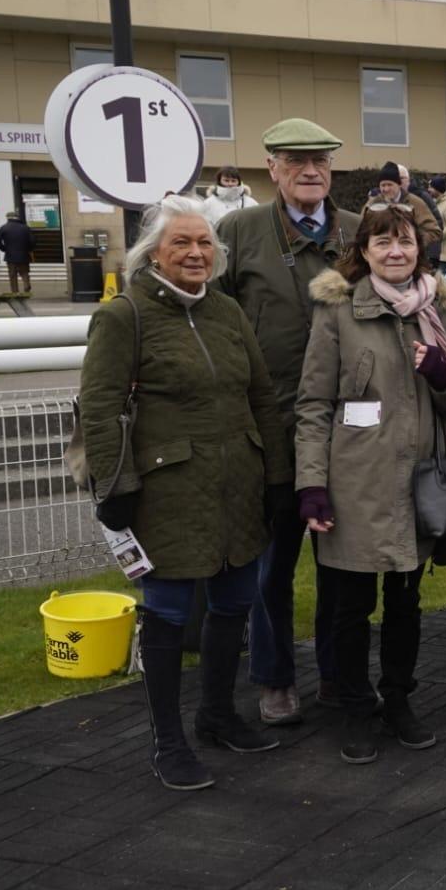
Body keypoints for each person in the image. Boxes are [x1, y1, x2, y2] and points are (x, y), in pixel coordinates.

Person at [80, 196, 291, 790]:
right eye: (182, 243)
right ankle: (168, 743)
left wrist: (277, 477)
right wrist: (115, 486)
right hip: (165, 493)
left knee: (234, 602)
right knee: (168, 615)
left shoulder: (227, 311)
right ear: (154, 252)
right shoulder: (125, 316)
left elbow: (261, 397)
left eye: (205, 243)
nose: (196, 253)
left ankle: (217, 716)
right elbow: (99, 409)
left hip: (237, 488)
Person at [297, 203, 446, 763]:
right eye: (383, 243)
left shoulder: (440, 309)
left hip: (417, 486)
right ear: (364, 251)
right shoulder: (339, 311)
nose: (396, 252)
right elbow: (314, 405)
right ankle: (354, 707)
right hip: (354, 486)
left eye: (405, 242)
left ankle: (397, 700)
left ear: (420, 249)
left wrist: (441, 375)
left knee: (405, 604)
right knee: (350, 608)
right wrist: (311, 485)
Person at [216, 118, 359, 727]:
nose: (310, 171)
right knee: (270, 565)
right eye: (296, 160)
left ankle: (336, 673)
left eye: (320, 161)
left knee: (342, 563)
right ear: (271, 167)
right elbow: (214, 317)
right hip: (269, 428)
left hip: (347, 430)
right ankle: (275, 677)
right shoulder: (239, 231)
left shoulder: (358, 231)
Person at [0, 210, 35, 294]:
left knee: (12, 275)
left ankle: (15, 291)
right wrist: (28, 249)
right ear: (17, 218)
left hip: (10, 256)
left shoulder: (3, 228)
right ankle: (26, 285)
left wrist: (4, 249)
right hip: (24, 255)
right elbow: (32, 241)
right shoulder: (25, 228)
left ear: (8, 218)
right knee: (24, 272)